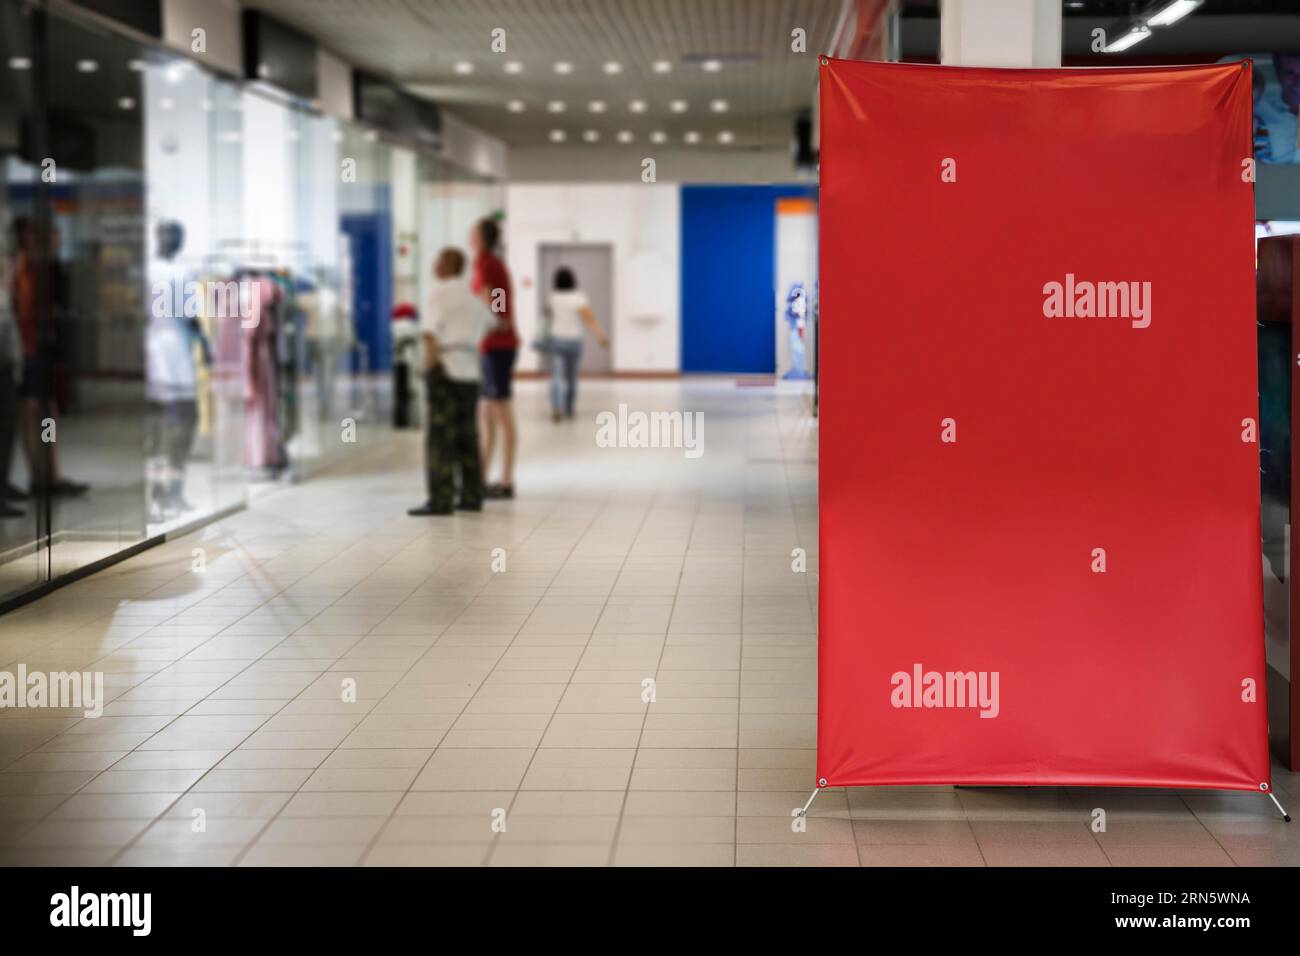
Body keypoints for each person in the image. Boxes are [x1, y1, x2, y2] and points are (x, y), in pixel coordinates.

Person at [409, 247, 493, 517]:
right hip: (471, 372)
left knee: (440, 439)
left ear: (445, 265)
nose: (433, 264)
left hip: (446, 368)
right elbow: (494, 321)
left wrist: (431, 367)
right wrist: (492, 298)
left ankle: (441, 500)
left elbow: (429, 334)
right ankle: (472, 496)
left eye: (437, 259)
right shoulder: (473, 297)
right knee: (468, 436)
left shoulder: (439, 293)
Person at [470, 217, 518, 499]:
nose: (470, 238)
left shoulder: (488, 263)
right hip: (491, 345)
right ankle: (482, 477)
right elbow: (495, 296)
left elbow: (493, 297)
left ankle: (506, 480)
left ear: (482, 238)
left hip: (498, 346)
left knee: (500, 412)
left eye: (473, 234)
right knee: (487, 413)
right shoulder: (488, 263)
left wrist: (497, 319)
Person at [543, 266, 608, 422]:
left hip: (556, 340)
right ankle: (570, 409)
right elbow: (589, 319)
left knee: (556, 377)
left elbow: (547, 318)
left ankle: (556, 408)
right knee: (572, 378)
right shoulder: (579, 297)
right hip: (574, 342)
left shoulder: (552, 297)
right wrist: (600, 336)